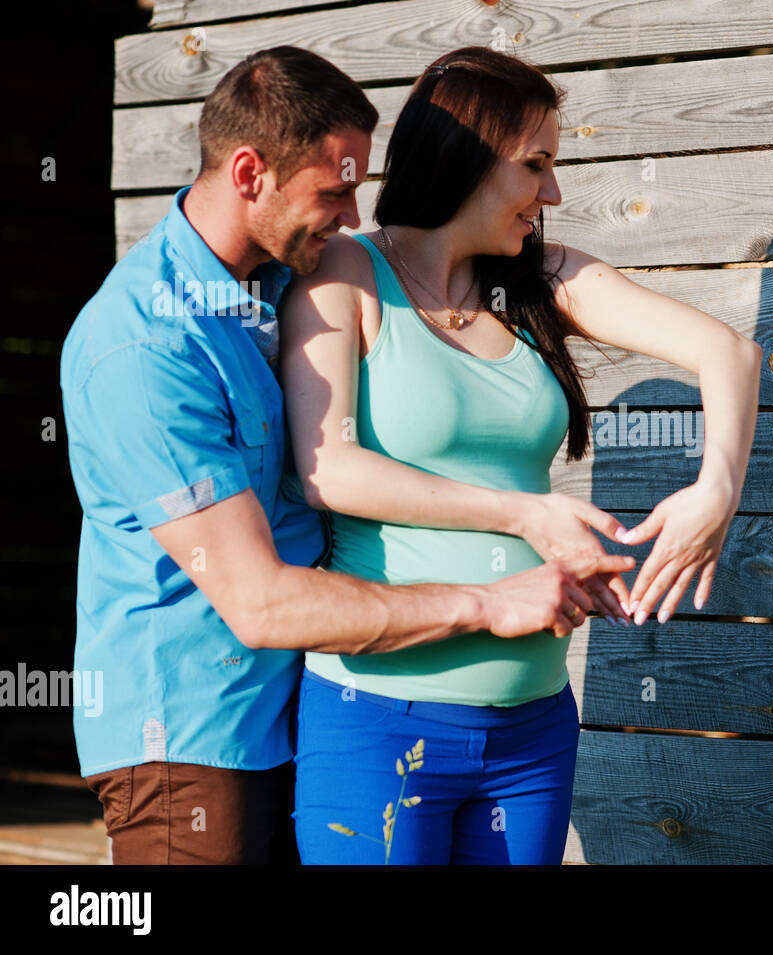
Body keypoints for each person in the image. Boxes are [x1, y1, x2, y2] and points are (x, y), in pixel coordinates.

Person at [59, 45, 631, 865]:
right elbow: (261, 605)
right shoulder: (145, 349)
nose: (353, 217)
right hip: (191, 745)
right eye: (335, 190)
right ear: (251, 172)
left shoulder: (269, 287)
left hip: (294, 716)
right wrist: (487, 602)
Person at [280, 46, 762, 865]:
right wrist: (525, 513)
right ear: (466, 156)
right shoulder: (348, 273)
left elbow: (729, 353)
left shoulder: (545, 281)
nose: (554, 192)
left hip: (534, 730)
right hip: (381, 718)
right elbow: (332, 467)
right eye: (535, 163)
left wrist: (715, 492)